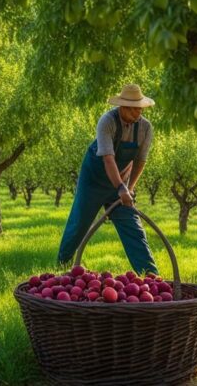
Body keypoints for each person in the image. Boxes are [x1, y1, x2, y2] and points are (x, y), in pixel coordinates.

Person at [57, 84, 158, 275]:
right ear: (122, 107)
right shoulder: (107, 122)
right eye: (133, 108)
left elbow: (140, 160)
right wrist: (120, 187)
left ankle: (151, 275)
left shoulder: (145, 128)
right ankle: (61, 264)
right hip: (93, 180)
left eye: (140, 108)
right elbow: (108, 158)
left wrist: (129, 188)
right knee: (79, 224)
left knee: (132, 226)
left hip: (120, 184)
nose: (138, 113)